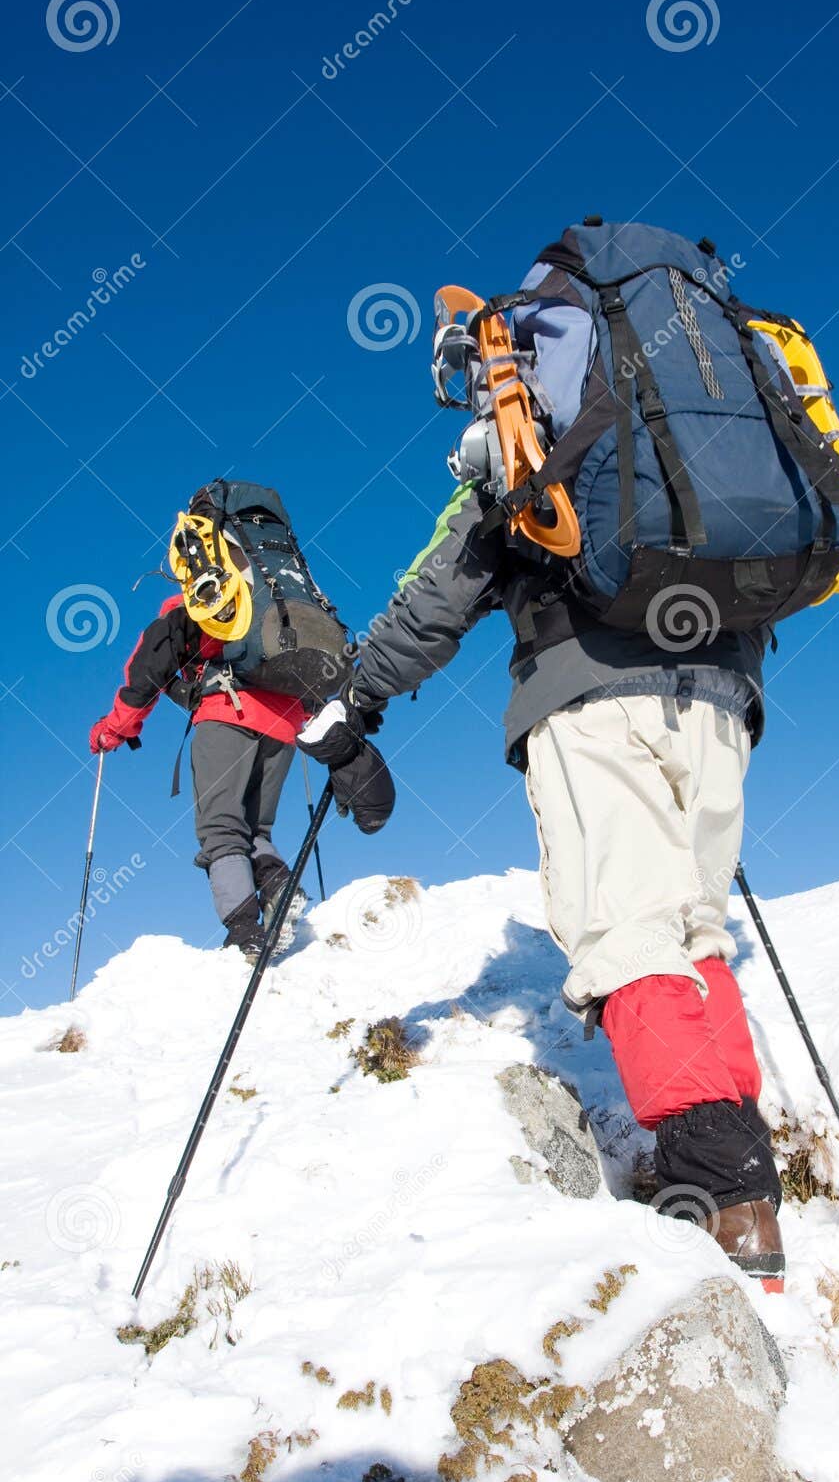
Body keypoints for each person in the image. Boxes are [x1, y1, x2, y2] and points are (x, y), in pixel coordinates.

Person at [299, 225, 788, 1290]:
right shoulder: (701, 406)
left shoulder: (529, 442)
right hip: (722, 693)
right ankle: (742, 1179)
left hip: (592, 691)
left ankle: (721, 1195)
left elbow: (444, 590)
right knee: (694, 928)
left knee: (628, 932)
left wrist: (358, 695)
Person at [89, 534, 308, 962]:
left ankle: (244, 933)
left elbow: (143, 678)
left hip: (227, 716)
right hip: (285, 724)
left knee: (221, 829)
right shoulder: (267, 600)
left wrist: (111, 732)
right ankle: (280, 887)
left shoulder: (187, 610)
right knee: (255, 830)